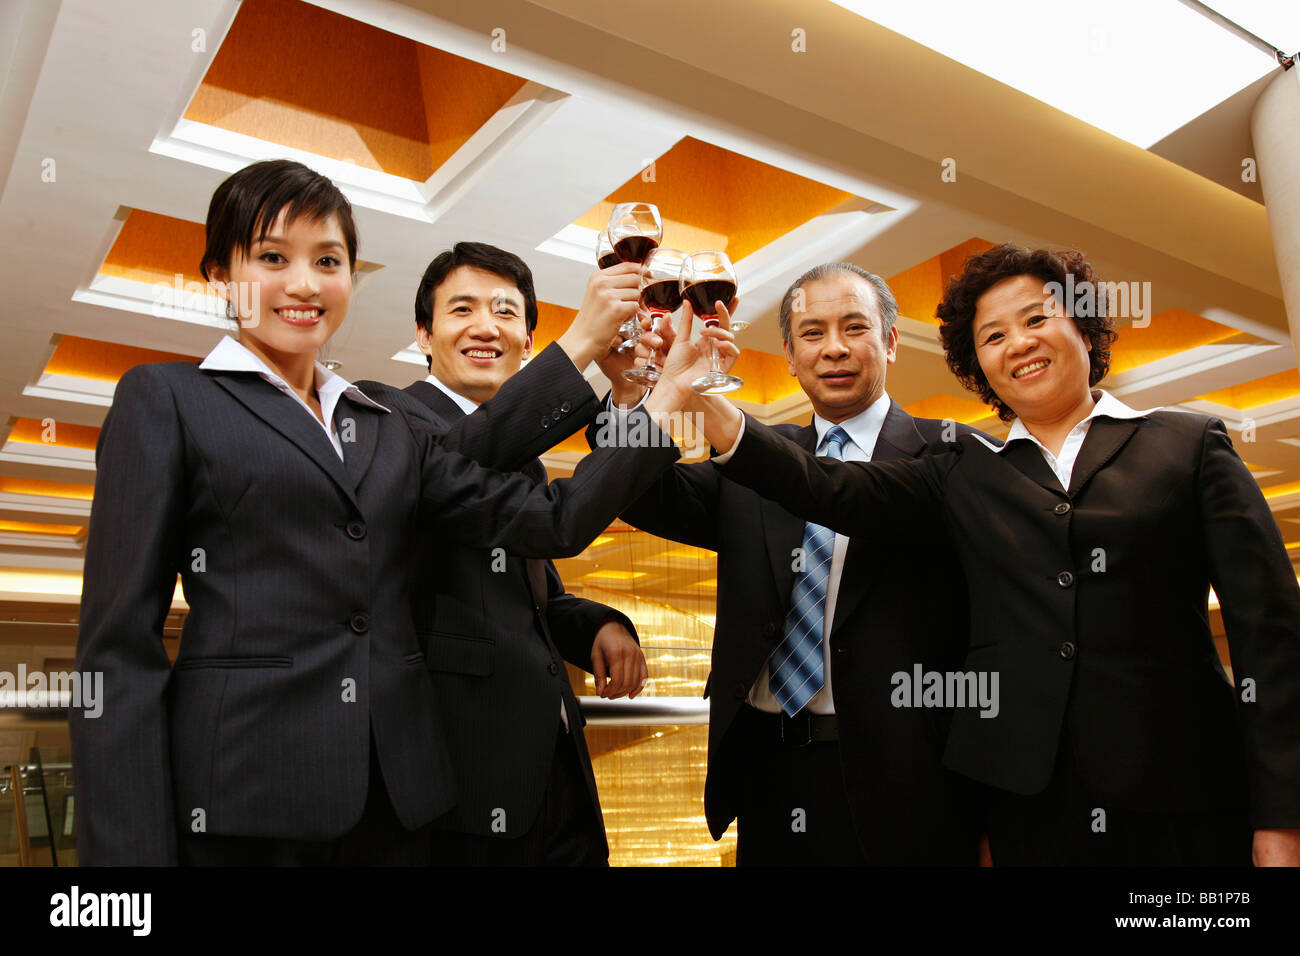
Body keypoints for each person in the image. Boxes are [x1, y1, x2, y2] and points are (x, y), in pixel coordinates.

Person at [68, 159, 715, 866]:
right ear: (220, 276)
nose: (305, 284)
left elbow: (552, 520)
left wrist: (665, 400)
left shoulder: (384, 424)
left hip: (405, 807)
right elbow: (117, 657)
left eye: (328, 261)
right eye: (273, 258)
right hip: (247, 800)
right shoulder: (168, 399)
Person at [689, 243, 1300, 865]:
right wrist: (700, 393)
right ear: (978, 363)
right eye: (994, 336)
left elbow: (1271, 639)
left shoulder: (1188, 445)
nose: (1019, 343)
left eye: (1037, 319)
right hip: (1029, 815)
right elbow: (825, 486)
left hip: (1185, 799)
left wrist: (1284, 817)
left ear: (1083, 326)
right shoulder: (964, 473)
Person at [594, 262, 983, 865]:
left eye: (855, 327)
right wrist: (628, 397)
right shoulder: (747, 467)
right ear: (789, 355)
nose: (834, 348)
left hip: (910, 782)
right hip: (769, 773)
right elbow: (639, 494)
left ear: (891, 341)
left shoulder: (953, 455)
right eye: (812, 333)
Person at [388, 241, 648, 865]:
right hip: (463, 782)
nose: (486, 327)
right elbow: (452, 466)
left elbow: (536, 600)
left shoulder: (524, 458)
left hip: (555, 771)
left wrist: (599, 624)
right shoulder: (387, 416)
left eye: (506, 312)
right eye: (462, 310)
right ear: (423, 335)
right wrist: (580, 343)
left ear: (528, 341)